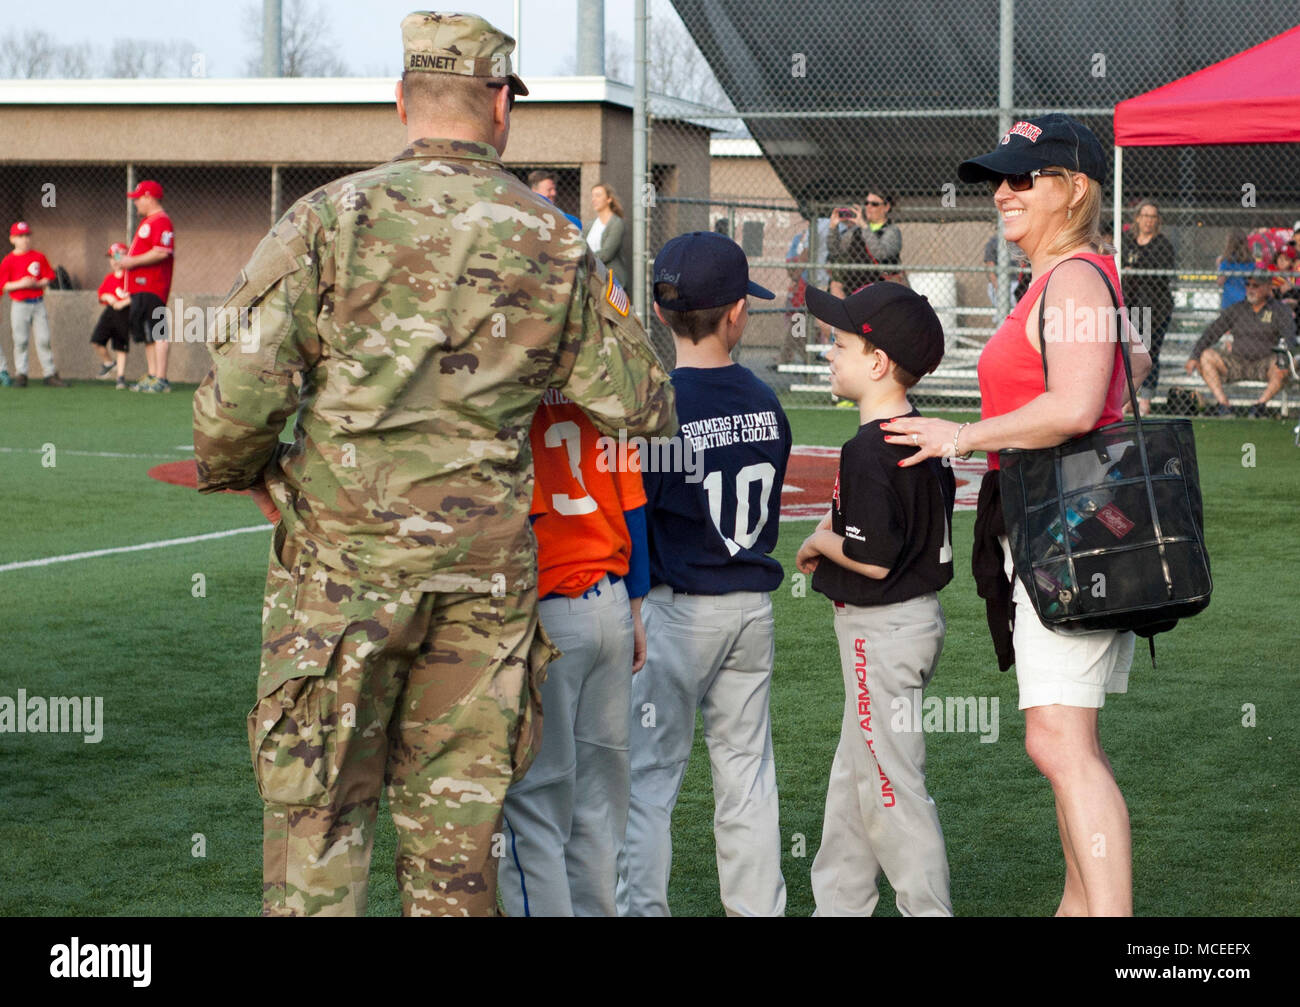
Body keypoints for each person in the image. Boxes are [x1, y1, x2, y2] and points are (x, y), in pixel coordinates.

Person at [191, 10, 675, 918]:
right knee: (457, 857)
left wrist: (260, 474)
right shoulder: (555, 238)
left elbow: (231, 411)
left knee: (319, 835)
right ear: (501, 105)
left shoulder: (325, 218)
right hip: (484, 587)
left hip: (339, 581)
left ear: (402, 101)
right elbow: (642, 403)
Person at [883, 114, 1152, 917]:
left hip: (1066, 524)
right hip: (1058, 520)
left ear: (1072, 190)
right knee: (1069, 740)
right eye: (997, 179)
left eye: (1021, 178)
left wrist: (959, 434)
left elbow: (1072, 405)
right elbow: (1129, 360)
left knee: (1058, 743)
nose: (1002, 192)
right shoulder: (1073, 278)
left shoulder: (1072, 278)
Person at [618, 230, 791, 917]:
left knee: (649, 782)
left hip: (675, 609)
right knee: (746, 775)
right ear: (737, 313)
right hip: (748, 605)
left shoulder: (658, 407)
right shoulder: (765, 400)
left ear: (660, 314)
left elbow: (643, 511)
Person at [794, 281, 956, 917]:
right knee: (855, 778)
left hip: (881, 632)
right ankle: (838, 905)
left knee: (891, 787)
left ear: (878, 362)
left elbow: (874, 557)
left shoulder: (867, 448)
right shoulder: (922, 433)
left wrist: (820, 540)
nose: (828, 353)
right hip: (907, 625)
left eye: (839, 343)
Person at [497, 393, 649, 916]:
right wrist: (634, 606)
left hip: (545, 615)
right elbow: (634, 505)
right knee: (598, 810)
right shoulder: (607, 385)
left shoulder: (501, 384)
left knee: (535, 807)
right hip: (610, 599)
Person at [1185, 271, 1296, 417]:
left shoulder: (1279, 310)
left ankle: (1259, 406)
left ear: (1268, 287)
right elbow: (1212, 332)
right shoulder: (1237, 309)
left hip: (1265, 363)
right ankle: (1224, 406)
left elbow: (1290, 337)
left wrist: (1291, 356)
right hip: (1236, 362)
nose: (1250, 289)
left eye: (1255, 285)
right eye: (1248, 285)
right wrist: (1194, 355)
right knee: (1206, 356)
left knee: (1283, 362)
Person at [119, 179, 175, 393]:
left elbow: (162, 251)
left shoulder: (161, 221)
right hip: (142, 288)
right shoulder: (150, 221)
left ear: (149, 197)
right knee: (147, 332)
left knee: (158, 331)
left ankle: (162, 378)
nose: (135, 203)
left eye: (138, 198)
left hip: (154, 286)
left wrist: (131, 262)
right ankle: (153, 375)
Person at [1120, 201, 1174, 416]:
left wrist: (1137, 269)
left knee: (1149, 353)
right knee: (1128, 354)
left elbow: (1161, 273)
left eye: (1152, 216)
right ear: (1137, 218)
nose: (1148, 220)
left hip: (1155, 308)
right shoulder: (1127, 241)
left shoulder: (1162, 244)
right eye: (1145, 215)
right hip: (1131, 306)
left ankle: (1145, 401)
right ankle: (1128, 398)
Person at [0, 221, 66, 387]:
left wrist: (37, 284)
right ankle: (21, 374)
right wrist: (21, 284)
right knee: (20, 340)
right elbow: (4, 285)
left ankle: (49, 373)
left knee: (43, 338)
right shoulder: (8, 260)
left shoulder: (38, 256)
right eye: (20, 236)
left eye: (27, 235)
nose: (25, 239)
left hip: (37, 303)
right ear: (12, 239)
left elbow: (48, 277)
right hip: (19, 304)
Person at [827, 191, 902, 295]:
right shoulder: (856, 230)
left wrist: (864, 226)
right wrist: (833, 227)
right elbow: (835, 251)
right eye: (866, 203)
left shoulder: (892, 231)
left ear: (886, 207)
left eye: (874, 204)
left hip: (879, 287)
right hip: (853, 286)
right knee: (835, 284)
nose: (868, 207)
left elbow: (880, 253)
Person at [91, 242, 132, 389]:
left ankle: (120, 377)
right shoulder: (109, 278)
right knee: (96, 341)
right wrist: (108, 297)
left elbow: (137, 295)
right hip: (109, 313)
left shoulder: (130, 277)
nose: (114, 260)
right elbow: (101, 295)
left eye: (118, 256)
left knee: (121, 346)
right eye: (112, 257)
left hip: (125, 314)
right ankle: (109, 363)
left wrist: (124, 302)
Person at [583, 182, 629, 289]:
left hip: (611, 281)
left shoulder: (617, 223)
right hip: (592, 279)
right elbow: (582, 246)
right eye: (592, 196)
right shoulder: (590, 224)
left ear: (609, 199)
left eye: (598, 195)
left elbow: (606, 254)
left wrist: (584, 260)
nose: (593, 199)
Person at [1215, 230, 1253, 309]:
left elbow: (1220, 282)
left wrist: (1219, 266)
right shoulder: (1250, 261)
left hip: (1229, 301)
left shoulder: (1227, 261)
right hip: (1246, 299)